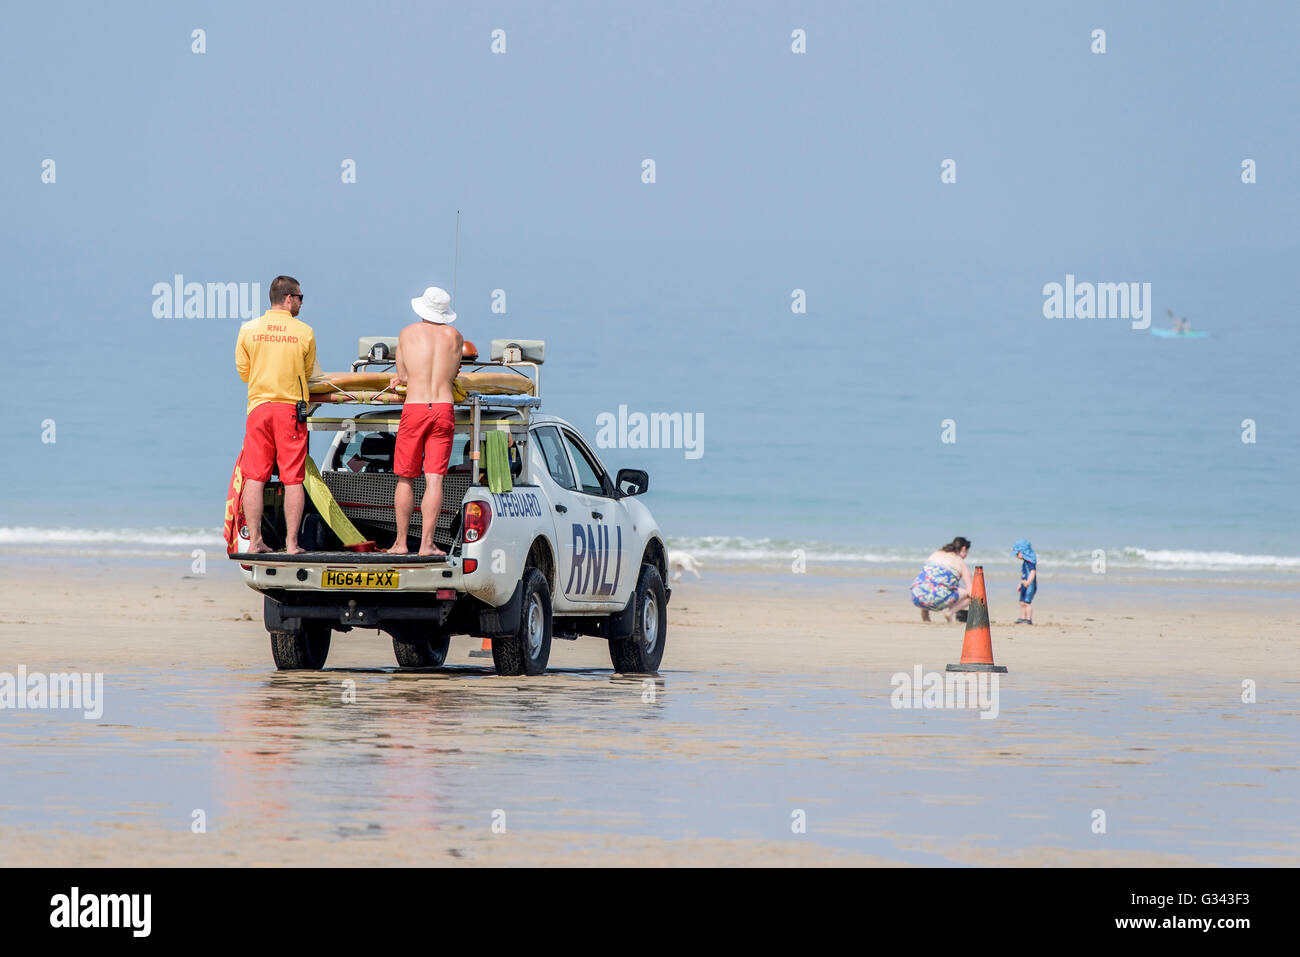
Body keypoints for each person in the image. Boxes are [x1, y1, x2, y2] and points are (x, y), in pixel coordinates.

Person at [235, 275, 316, 554]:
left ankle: (255, 541)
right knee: (293, 478)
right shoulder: (304, 331)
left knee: (255, 477)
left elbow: (244, 372)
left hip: (258, 408)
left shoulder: (248, 329)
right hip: (289, 409)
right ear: (289, 298)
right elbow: (307, 374)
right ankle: (292, 544)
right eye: (301, 298)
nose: (302, 304)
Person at [387, 286, 464, 556]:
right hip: (442, 407)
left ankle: (400, 543)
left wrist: (401, 379)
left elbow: (404, 375)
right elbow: (453, 374)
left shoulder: (407, 334)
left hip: (415, 407)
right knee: (434, 481)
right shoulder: (455, 336)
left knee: (406, 478)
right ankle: (427, 544)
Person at [910, 537, 973, 623]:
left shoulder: (936, 554)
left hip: (916, 595)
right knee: (970, 596)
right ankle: (950, 613)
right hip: (936, 600)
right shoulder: (960, 563)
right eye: (967, 552)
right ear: (964, 548)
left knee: (929, 583)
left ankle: (924, 611)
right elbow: (971, 592)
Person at [1012, 539, 1038, 623]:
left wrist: (1028, 582)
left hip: (1030, 585)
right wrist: (1020, 584)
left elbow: (1033, 572)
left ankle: (1028, 619)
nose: (1016, 555)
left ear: (1024, 552)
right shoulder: (1024, 563)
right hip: (1024, 584)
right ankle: (1023, 618)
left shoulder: (1030, 562)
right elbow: (1023, 575)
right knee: (1022, 602)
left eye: (1017, 553)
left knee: (1027, 602)